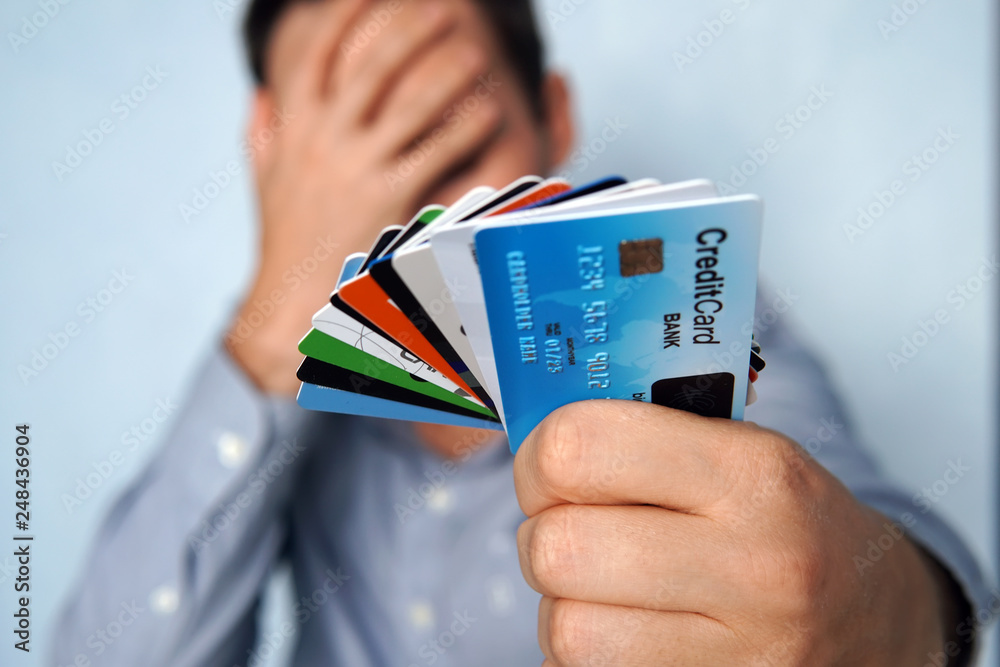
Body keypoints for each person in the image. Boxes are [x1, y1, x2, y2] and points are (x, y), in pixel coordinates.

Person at [54, 0, 991, 665]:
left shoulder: (677, 316)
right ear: (270, 151)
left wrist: (881, 617)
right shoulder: (279, 396)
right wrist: (276, 317)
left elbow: (879, 564)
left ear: (555, 119)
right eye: (345, 160)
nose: (400, 215)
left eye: (454, 144)